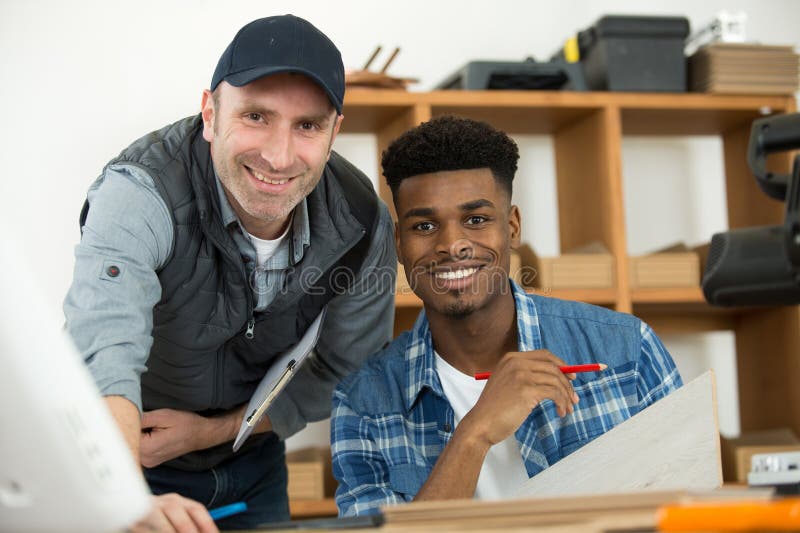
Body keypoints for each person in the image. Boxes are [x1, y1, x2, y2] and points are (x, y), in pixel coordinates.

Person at [63, 14, 396, 531]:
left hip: (255, 467)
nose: (278, 156)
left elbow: (343, 368)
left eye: (307, 125)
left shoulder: (363, 222)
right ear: (210, 112)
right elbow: (104, 347)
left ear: (335, 133)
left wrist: (213, 431)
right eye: (256, 117)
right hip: (132, 464)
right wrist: (125, 499)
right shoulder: (139, 193)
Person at [330, 116, 683, 516]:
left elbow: (695, 511)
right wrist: (475, 434)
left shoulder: (628, 351)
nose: (452, 245)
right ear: (399, 244)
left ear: (512, 227)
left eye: (476, 220)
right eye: (424, 225)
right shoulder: (363, 401)